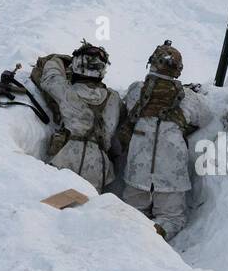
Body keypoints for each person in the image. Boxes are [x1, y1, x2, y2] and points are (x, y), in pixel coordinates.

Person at [117, 40, 209, 240]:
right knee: (172, 218)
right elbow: (205, 118)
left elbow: (127, 108)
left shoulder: (137, 91)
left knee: (131, 214)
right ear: (178, 69)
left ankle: (131, 239)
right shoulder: (188, 98)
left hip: (137, 172)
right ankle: (156, 237)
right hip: (171, 174)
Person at [32, 41, 124, 190]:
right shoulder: (114, 98)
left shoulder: (67, 91)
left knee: (54, 200)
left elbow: (50, 78)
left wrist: (57, 60)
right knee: (90, 203)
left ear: (76, 65)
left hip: (66, 159)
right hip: (98, 167)